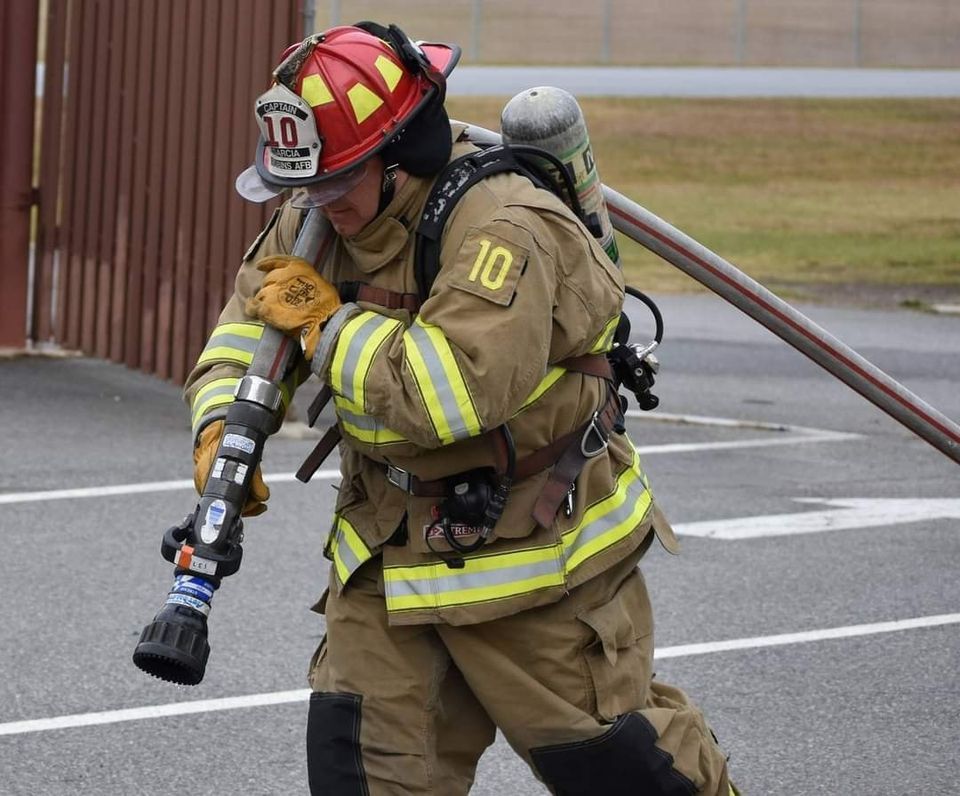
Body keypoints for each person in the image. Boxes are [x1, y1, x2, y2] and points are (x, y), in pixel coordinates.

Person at [185, 21, 736, 795]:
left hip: (534, 565)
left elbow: (447, 393)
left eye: (336, 182)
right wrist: (222, 427)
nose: (316, 204)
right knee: (360, 773)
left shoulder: (504, 228)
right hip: (385, 553)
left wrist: (326, 324)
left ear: (401, 156)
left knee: (623, 773)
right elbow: (247, 330)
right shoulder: (316, 209)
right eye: (302, 185)